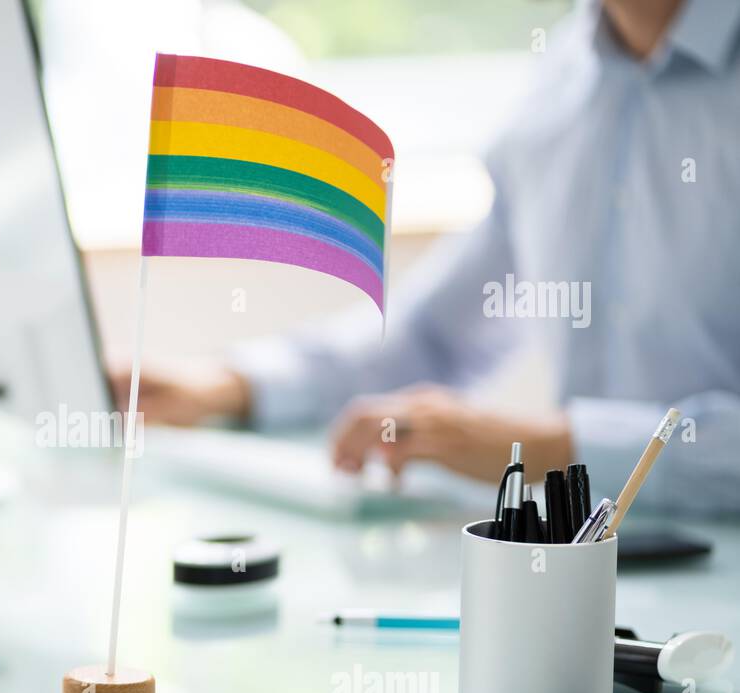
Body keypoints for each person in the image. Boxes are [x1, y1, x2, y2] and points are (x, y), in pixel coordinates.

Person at [114, 0, 740, 512]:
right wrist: (231, 387)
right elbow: (434, 336)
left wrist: (551, 447)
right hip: (586, 567)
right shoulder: (557, 84)